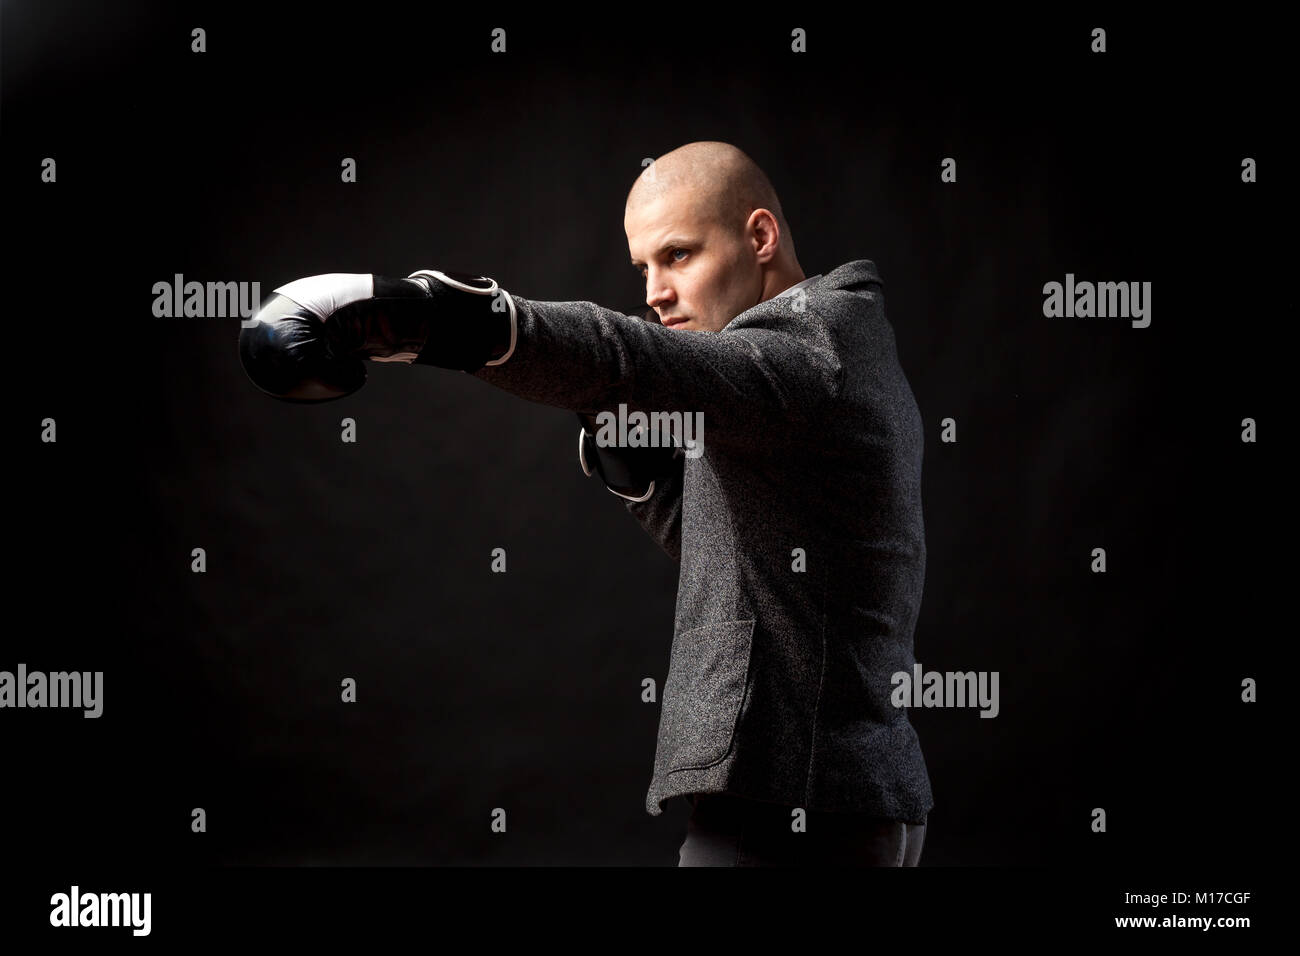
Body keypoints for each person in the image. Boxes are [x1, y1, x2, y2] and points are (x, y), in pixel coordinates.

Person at [239, 141, 933, 866]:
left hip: (795, 807)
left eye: (679, 256)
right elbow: (755, 563)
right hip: (829, 797)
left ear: (759, 237)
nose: (657, 290)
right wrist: (644, 484)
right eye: (644, 268)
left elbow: (630, 358)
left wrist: (443, 319)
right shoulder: (807, 372)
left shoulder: (813, 342)